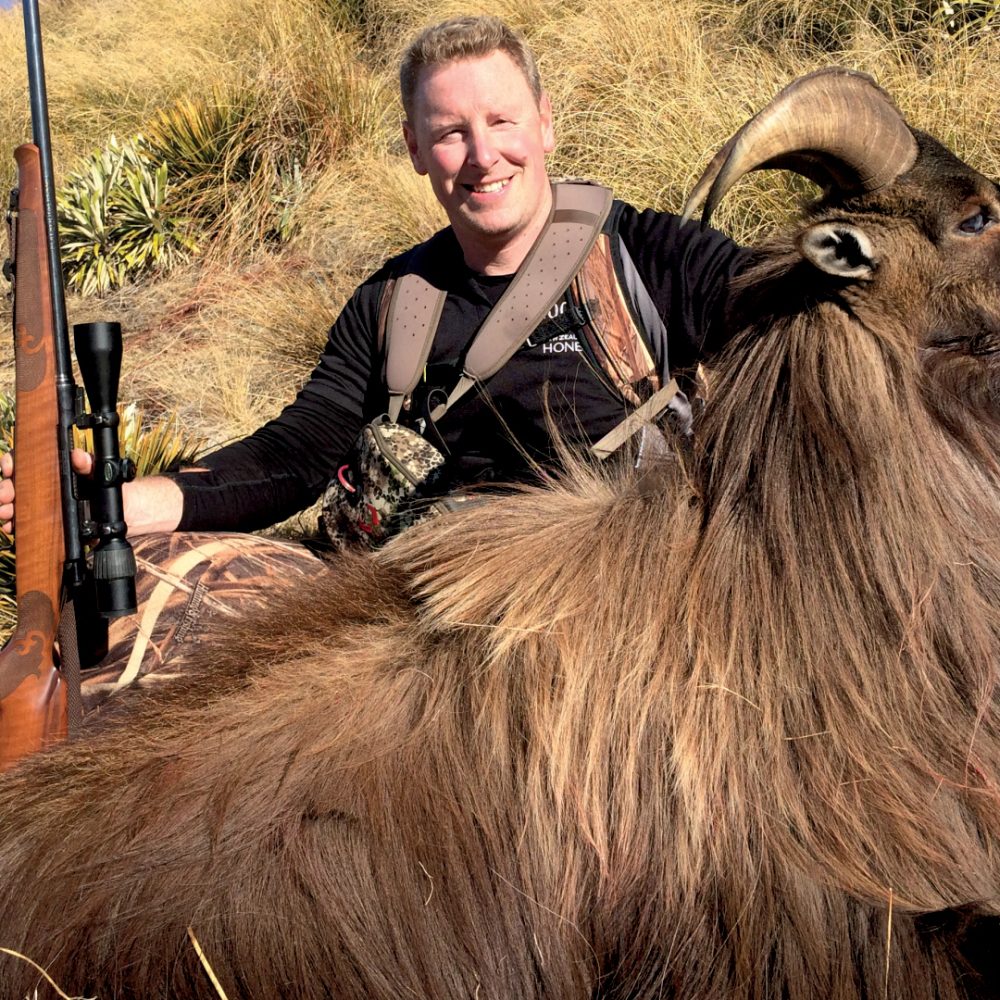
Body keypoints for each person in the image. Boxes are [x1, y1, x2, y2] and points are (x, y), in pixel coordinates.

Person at [0, 15, 745, 703]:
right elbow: (295, 455)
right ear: (415, 149)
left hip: (617, 629)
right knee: (140, 605)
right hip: (419, 628)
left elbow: (792, 318)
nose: (483, 156)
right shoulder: (395, 302)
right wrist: (120, 506)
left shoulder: (655, 261)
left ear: (546, 124)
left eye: (502, 121)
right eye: (450, 132)